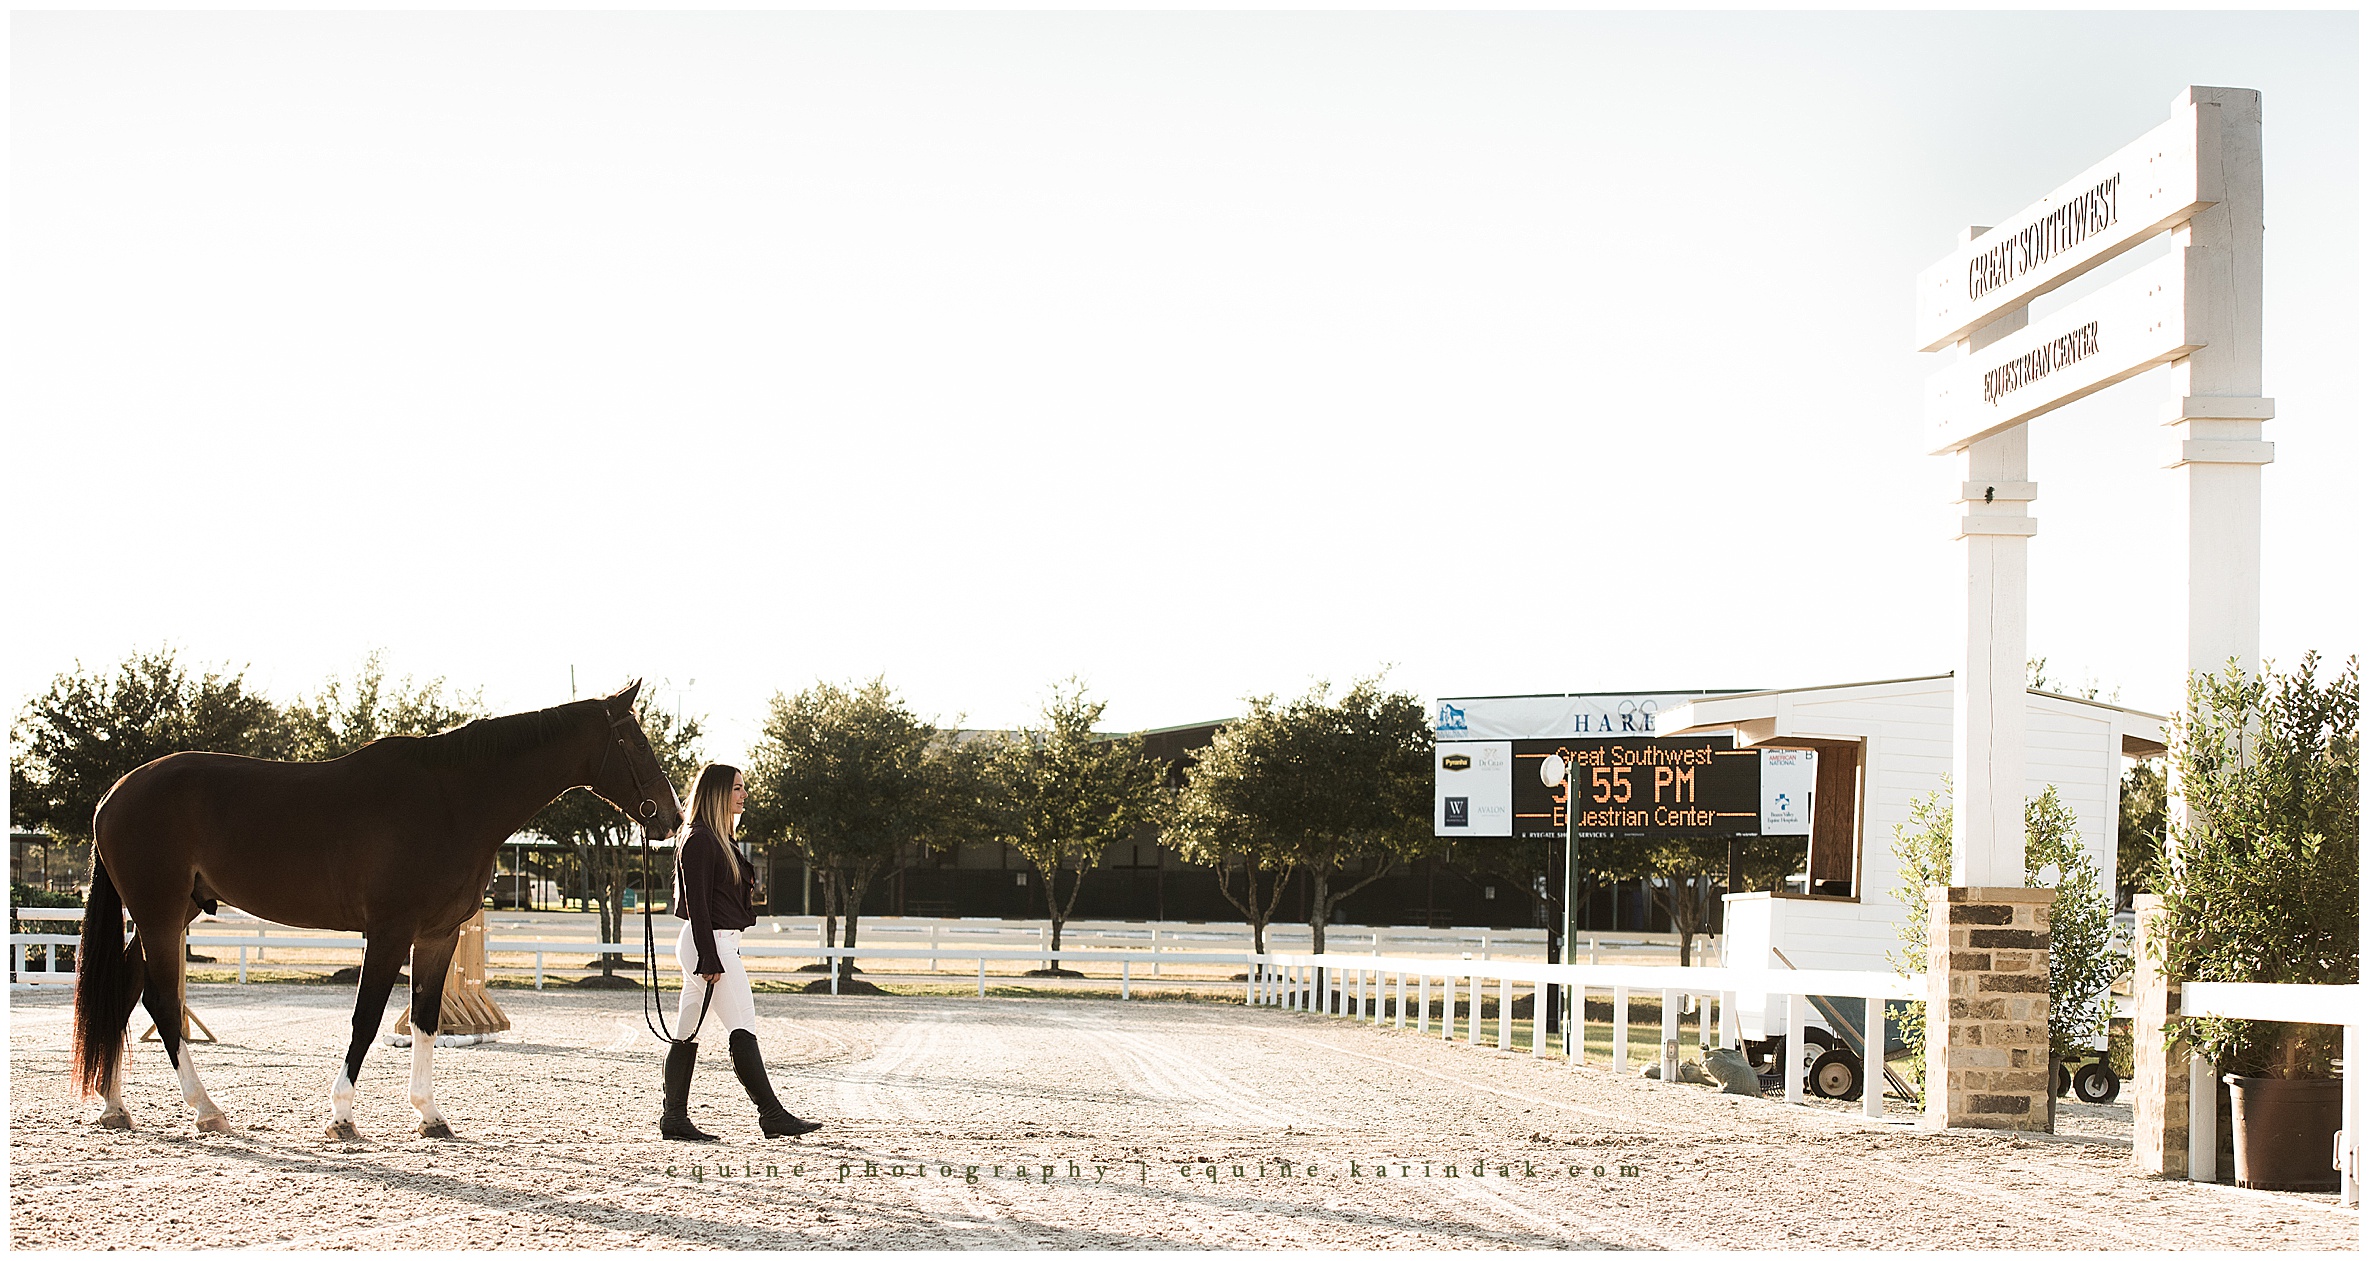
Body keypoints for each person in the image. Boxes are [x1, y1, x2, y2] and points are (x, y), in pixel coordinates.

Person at [659, 763, 822, 1141]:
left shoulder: (717, 838)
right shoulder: (700, 839)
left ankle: (674, 1118)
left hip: (711, 941)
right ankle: (772, 1114)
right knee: (742, 1027)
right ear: (717, 793)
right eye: (736, 788)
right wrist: (709, 956)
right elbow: (698, 904)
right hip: (710, 942)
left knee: (686, 1032)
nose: (743, 795)